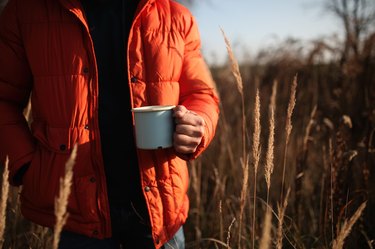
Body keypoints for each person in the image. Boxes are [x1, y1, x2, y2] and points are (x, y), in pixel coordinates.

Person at [0, 0, 219, 248]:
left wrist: (198, 126)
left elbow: (202, 95)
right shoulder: (26, 12)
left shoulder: (176, 16)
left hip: (160, 211)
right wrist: (26, 166)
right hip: (76, 216)